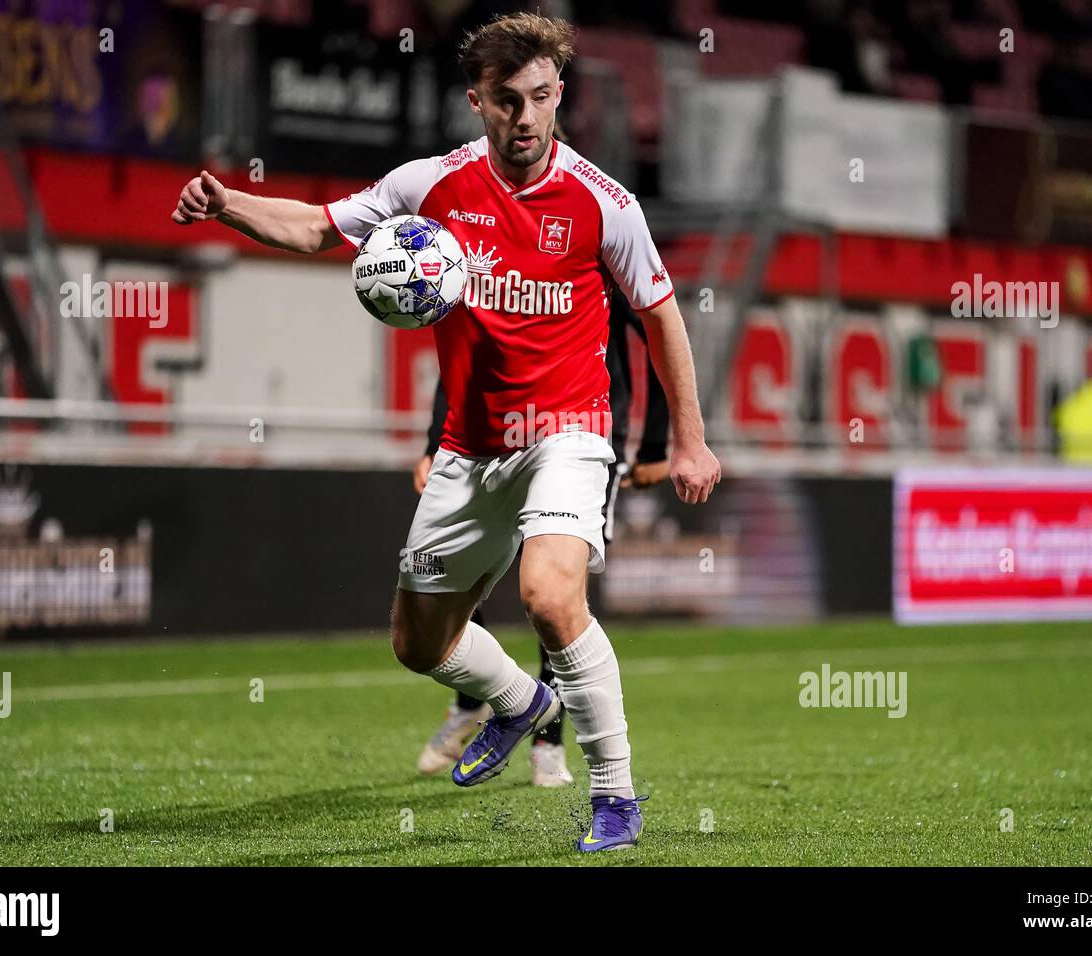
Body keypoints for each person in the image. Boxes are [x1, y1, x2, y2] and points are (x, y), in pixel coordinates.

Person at [170, 12, 721, 852]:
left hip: (568, 432)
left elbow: (660, 315)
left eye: (541, 97)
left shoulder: (606, 204)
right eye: (509, 101)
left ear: (559, 93)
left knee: (548, 594)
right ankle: (524, 703)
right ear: (478, 102)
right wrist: (227, 202)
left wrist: (688, 438)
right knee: (417, 642)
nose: (527, 117)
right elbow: (320, 227)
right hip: (471, 445)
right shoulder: (428, 186)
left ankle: (615, 797)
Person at [411, 290, 672, 786]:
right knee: (445, 580)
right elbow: (462, 355)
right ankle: (475, 700)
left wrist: (657, 442)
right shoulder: (488, 253)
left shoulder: (593, 247)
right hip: (489, 436)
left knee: (554, 592)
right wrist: (433, 444)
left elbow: (658, 331)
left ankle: (549, 741)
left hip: (580, 434)